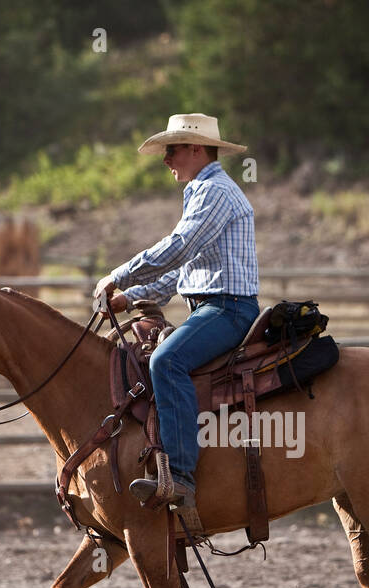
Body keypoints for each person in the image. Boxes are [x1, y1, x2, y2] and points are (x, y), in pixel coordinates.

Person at [93, 113, 260, 508]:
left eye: (172, 150)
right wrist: (130, 298)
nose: (166, 160)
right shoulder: (204, 192)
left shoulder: (215, 192)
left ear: (196, 148)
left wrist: (118, 275)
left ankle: (180, 475)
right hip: (214, 306)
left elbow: (179, 247)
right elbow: (186, 271)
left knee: (166, 362)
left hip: (227, 310)